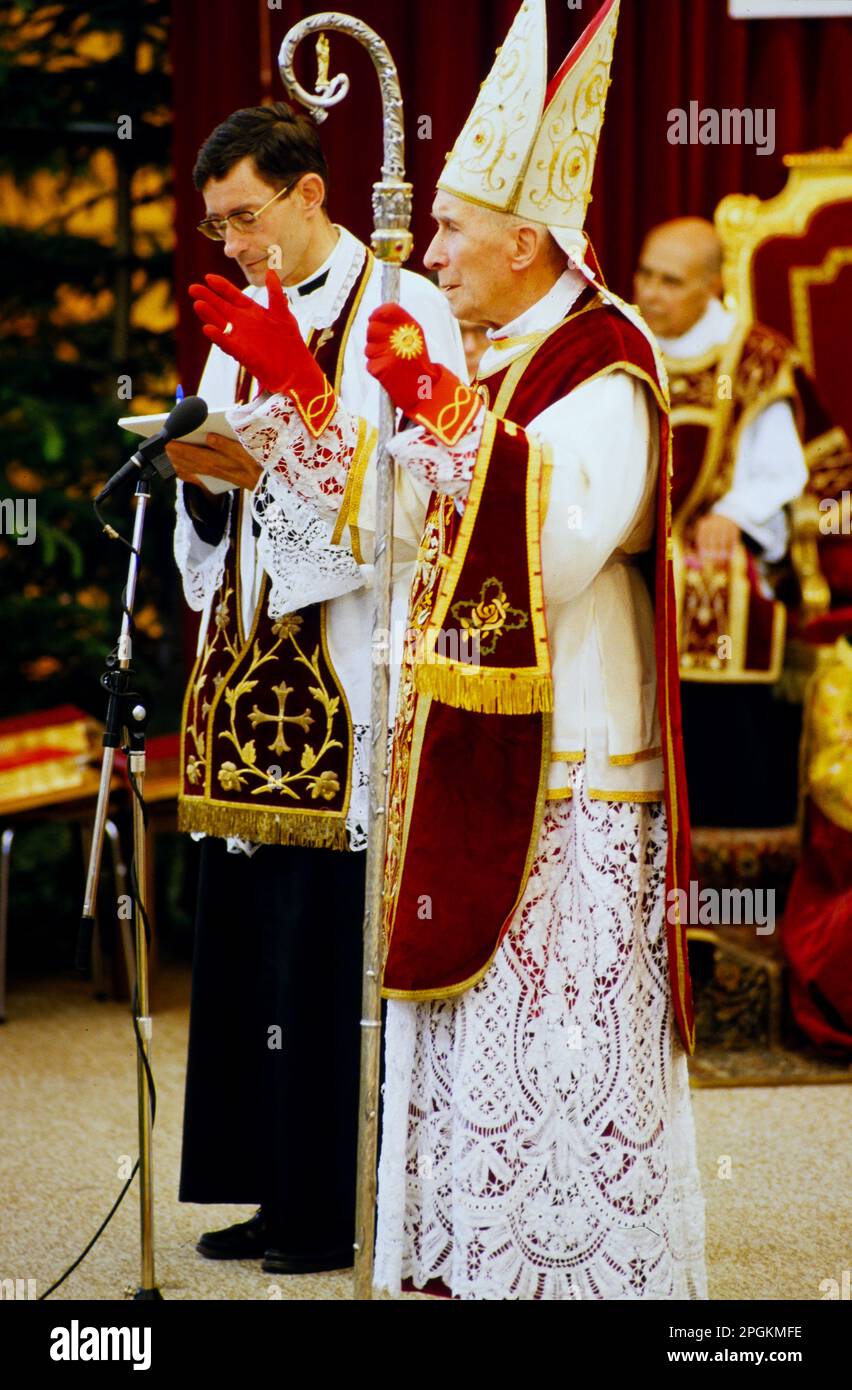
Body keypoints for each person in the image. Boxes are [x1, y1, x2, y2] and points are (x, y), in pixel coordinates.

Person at [194, 0, 708, 1299]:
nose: (433, 247)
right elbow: (389, 534)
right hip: (460, 748)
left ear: (525, 237)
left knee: (553, 1045)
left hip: (574, 764)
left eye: (457, 229)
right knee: (474, 1050)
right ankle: (473, 1266)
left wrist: (447, 416)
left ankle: (577, 1278)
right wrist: (308, 406)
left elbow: (561, 547)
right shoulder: (498, 347)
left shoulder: (604, 358)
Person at [168, 102, 464, 1275]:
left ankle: (332, 1199)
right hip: (250, 663)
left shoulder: (402, 303)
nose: (234, 243)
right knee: (247, 943)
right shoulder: (243, 316)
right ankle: (264, 1185)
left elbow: (415, 503)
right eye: (217, 225)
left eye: (246, 215)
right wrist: (195, 476)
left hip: (347, 659)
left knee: (318, 946)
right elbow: (225, 480)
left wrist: (297, 432)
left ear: (307, 192)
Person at [634, 217, 809, 824]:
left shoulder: (752, 356)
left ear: (711, 286)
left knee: (717, 585)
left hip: (712, 538)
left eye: (671, 282)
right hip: (629, 532)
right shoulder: (624, 342)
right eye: (646, 275)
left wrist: (734, 513)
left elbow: (780, 470)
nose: (651, 293)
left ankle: (728, 835)